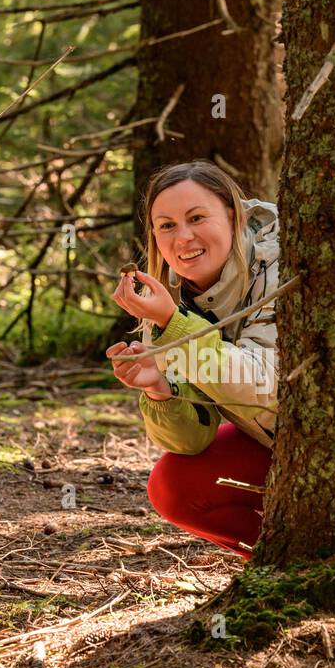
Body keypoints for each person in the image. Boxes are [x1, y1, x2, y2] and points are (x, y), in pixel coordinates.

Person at [105, 161, 279, 559]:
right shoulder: (169, 298)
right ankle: (285, 563)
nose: (183, 237)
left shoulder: (278, 263)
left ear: (233, 217)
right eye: (166, 225)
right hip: (276, 445)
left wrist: (173, 324)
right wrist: (159, 388)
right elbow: (192, 440)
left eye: (197, 217)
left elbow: (268, 390)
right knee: (173, 487)